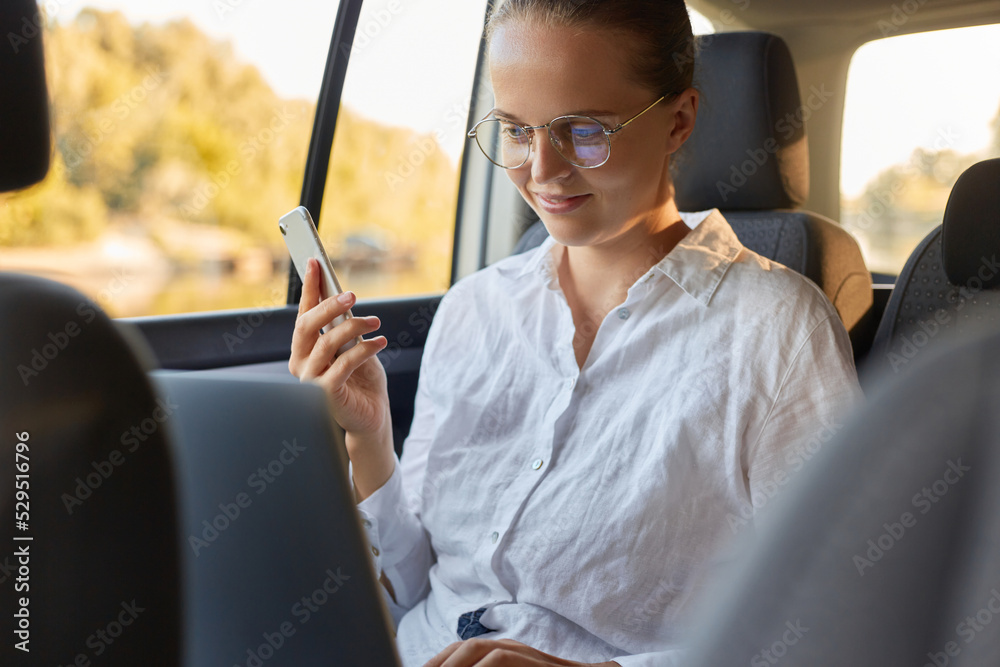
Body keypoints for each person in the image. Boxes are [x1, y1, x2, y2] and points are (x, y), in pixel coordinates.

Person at [288, 1, 862, 665]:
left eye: (585, 130)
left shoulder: (778, 330)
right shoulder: (472, 309)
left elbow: (834, 622)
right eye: (515, 130)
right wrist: (370, 437)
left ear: (678, 120)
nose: (543, 171)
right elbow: (416, 585)